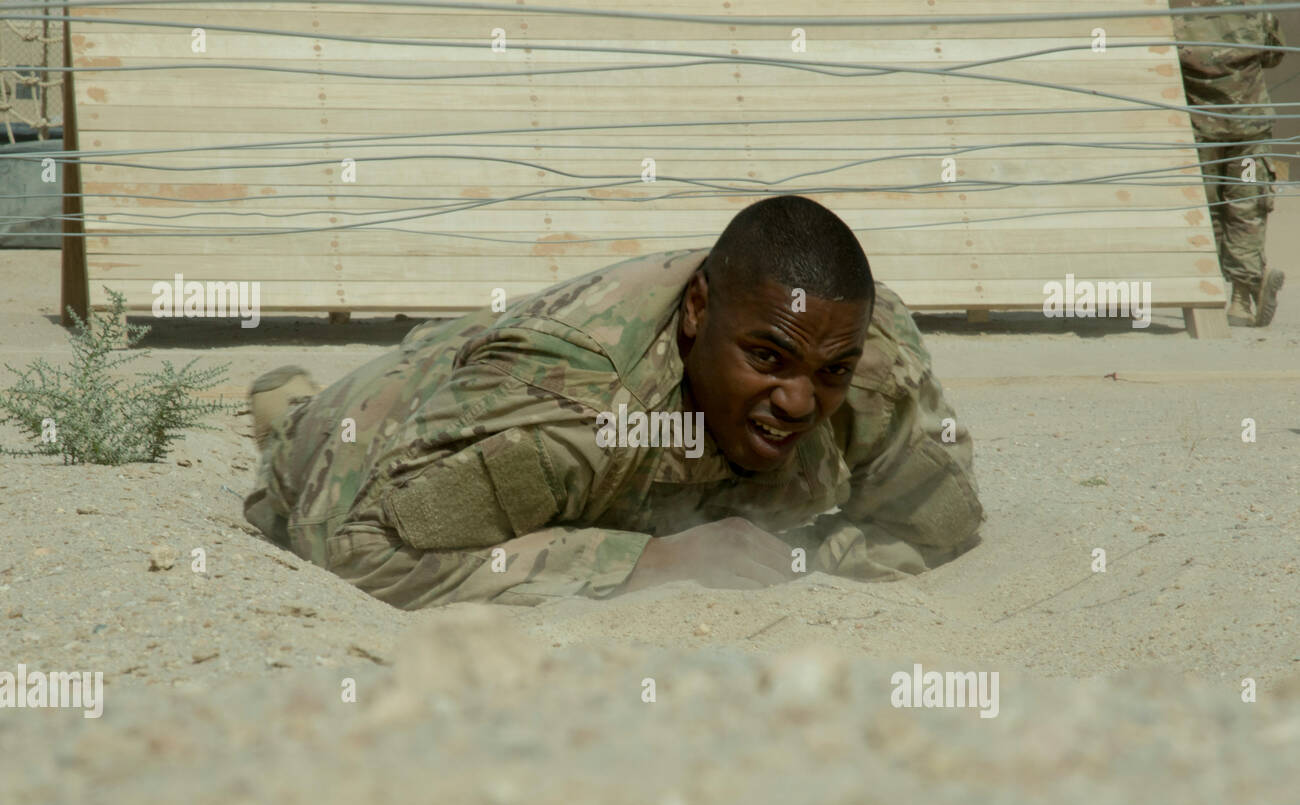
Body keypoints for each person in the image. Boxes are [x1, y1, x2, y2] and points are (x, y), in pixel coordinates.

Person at [243, 195, 984, 609]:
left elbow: (940, 518)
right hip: (374, 424)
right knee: (313, 435)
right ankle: (291, 406)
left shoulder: (869, 360)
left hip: (522, 368)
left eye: (831, 369)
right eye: (767, 358)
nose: (800, 400)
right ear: (698, 310)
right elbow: (357, 548)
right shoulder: (579, 407)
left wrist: (809, 560)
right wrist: (653, 561)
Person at [1174, 0, 1288, 326]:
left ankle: (1215, 292)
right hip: (1248, 136)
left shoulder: (1177, 18)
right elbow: (1273, 56)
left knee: (1206, 209)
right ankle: (1243, 295)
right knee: (1246, 205)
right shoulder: (1256, 11)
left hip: (1202, 135)